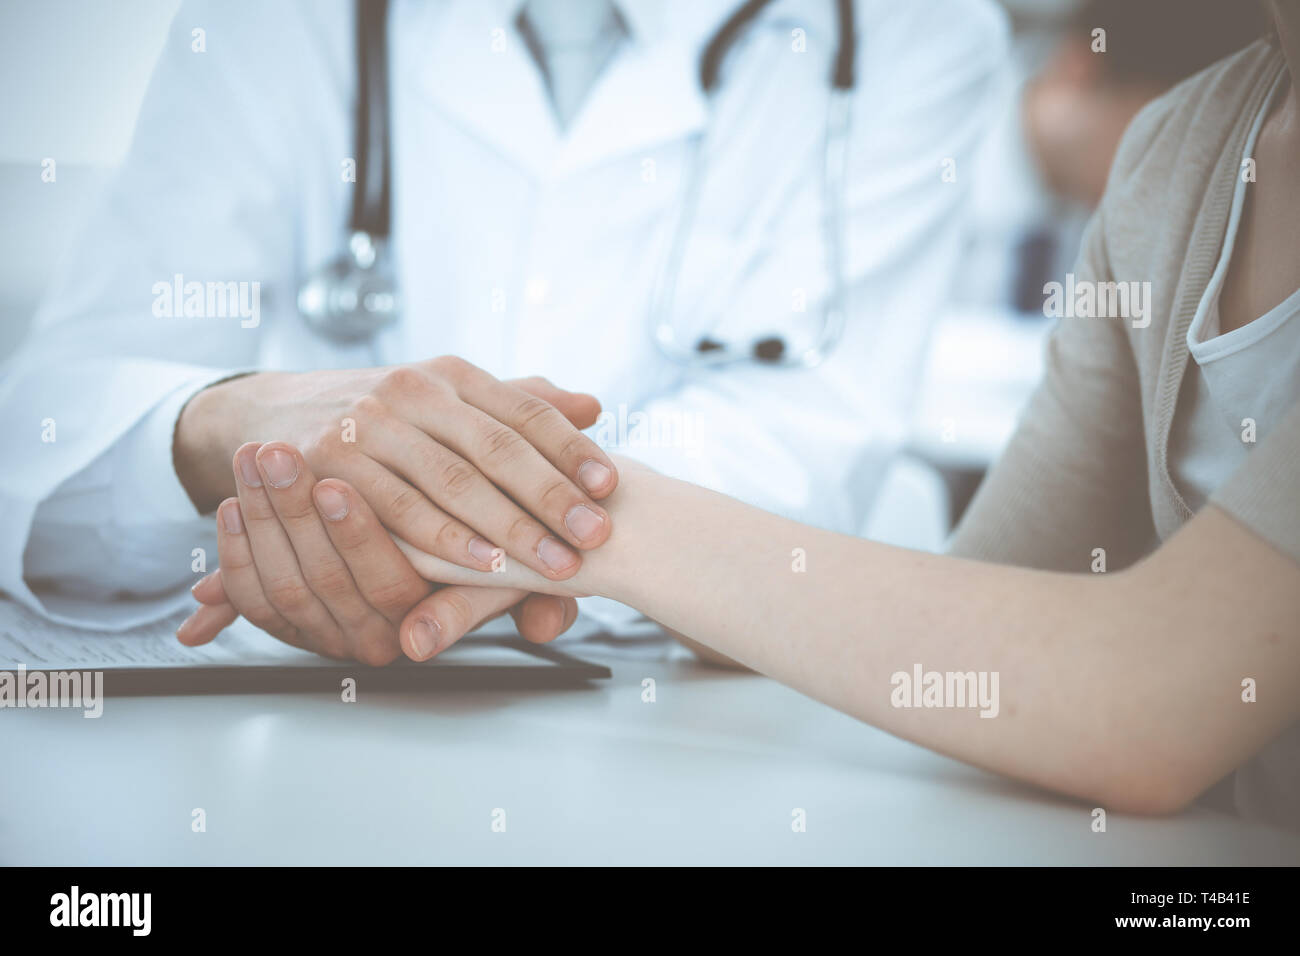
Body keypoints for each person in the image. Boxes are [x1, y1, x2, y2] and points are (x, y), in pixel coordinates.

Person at [197, 5, 1300, 829]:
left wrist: (533, 511)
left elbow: (1150, 699)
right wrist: (410, 495)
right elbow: (988, 648)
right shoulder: (1182, 152)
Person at [0, 0, 1007, 659]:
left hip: (676, 714)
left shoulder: (917, 31)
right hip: (305, 698)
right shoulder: (272, 20)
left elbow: (800, 454)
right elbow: (51, 425)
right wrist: (222, 423)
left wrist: (416, 517)